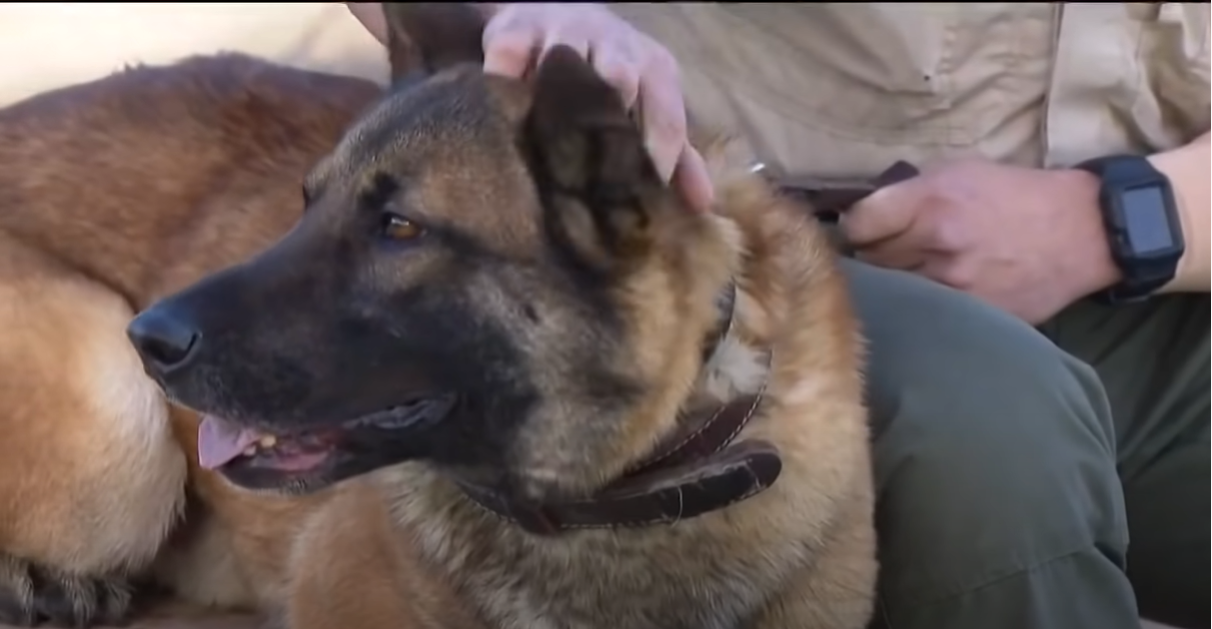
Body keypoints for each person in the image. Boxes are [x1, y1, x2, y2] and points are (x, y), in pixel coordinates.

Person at [348, 3, 1210, 629]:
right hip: (761, 248)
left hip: (1164, 263)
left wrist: (1116, 220)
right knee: (987, 441)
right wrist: (529, 21)